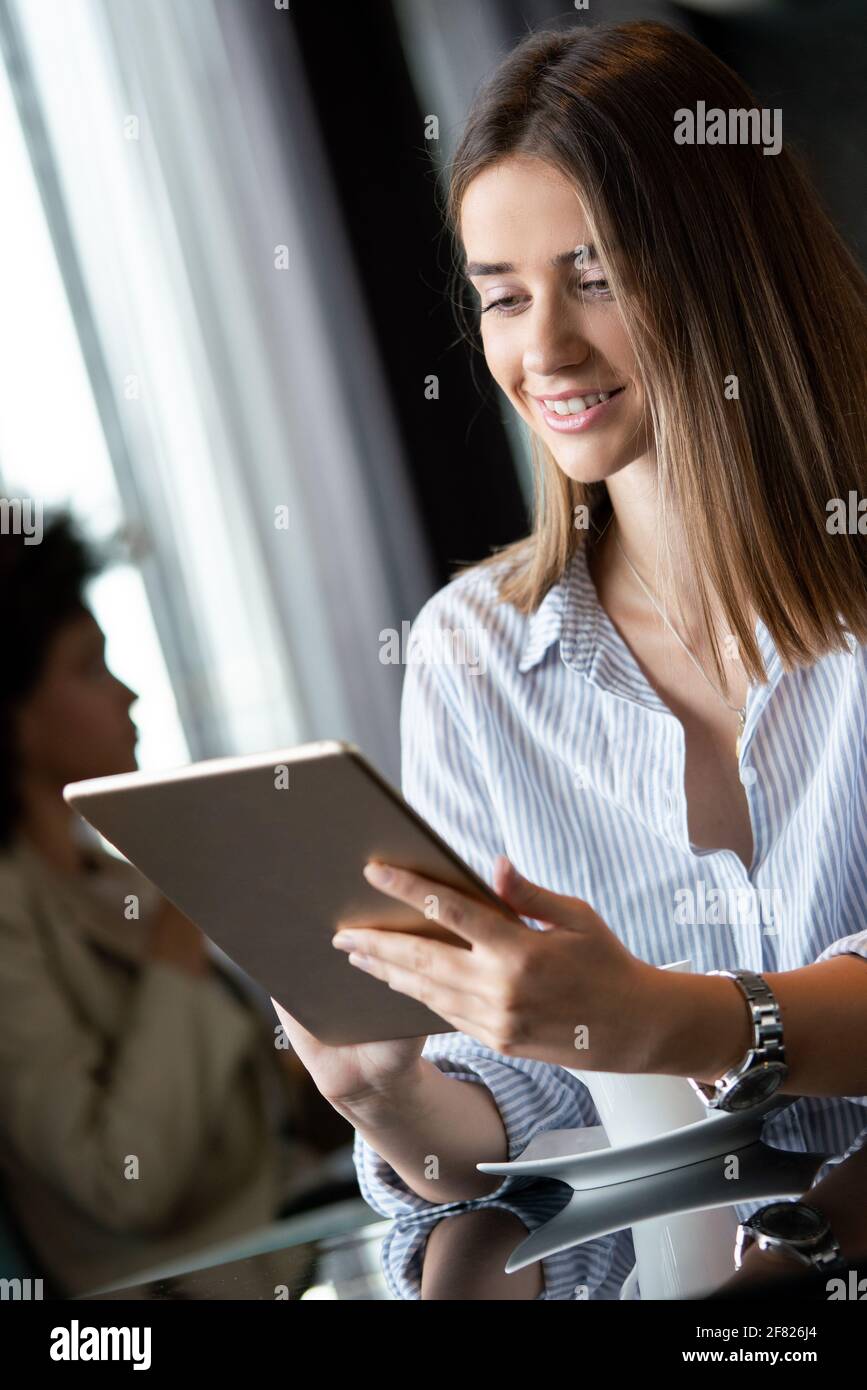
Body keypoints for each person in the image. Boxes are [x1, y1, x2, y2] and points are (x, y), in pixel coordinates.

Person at [273, 20, 867, 1300]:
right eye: (500, 294)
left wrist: (663, 1013)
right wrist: (392, 1098)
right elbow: (543, 1097)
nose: (542, 348)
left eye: (594, 277)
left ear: (727, 271)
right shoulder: (472, 653)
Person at [0, 506, 353, 1297]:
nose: (128, 694)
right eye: (89, 668)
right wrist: (176, 939)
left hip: (298, 1240)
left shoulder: (105, 878)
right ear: (11, 719)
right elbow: (122, 1180)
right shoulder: (16, 915)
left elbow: (262, 1114)